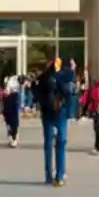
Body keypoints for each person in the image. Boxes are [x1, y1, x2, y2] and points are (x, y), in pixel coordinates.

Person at [36, 57, 70, 187]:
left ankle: (49, 175)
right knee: (60, 143)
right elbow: (68, 93)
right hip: (59, 112)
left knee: (49, 144)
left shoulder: (43, 78)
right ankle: (60, 176)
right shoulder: (62, 77)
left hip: (48, 113)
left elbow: (37, 95)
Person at [1, 75, 23, 147]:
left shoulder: (16, 82)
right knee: (8, 120)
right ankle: (12, 136)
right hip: (8, 99)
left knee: (14, 121)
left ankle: (14, 137)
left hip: (12, 99)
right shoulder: (9, 80)